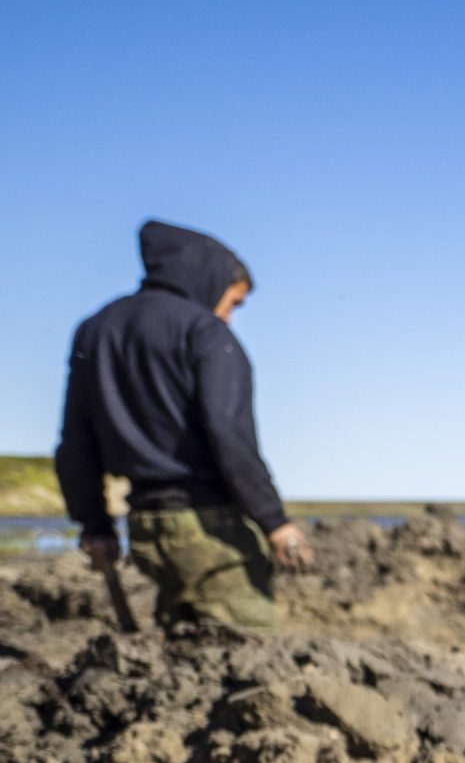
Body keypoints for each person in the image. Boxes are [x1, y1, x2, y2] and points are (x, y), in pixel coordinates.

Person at [56, 220, 314, 632]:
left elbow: (75, 442)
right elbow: (230, 435)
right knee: (249, 649)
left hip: (144, 528)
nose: (229, 317)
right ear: (210, 280)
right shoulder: (205, 334)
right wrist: (274, 522)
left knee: (181, 645)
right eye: (234, 302)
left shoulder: (95, 331)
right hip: (208, 527)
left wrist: (95, 524)